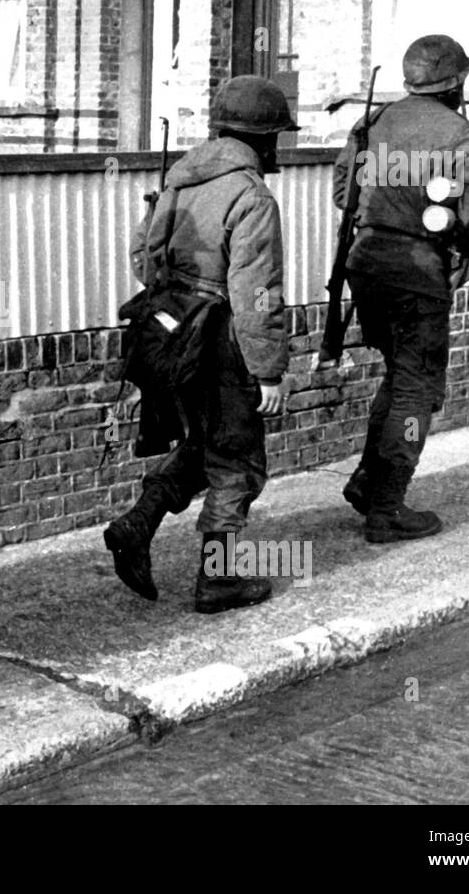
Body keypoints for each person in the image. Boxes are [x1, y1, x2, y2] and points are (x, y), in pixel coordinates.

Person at [103, 76, 292, 612]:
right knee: (237, 460)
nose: (279, 146)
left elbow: (145, 265)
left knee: (201, 441)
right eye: (276, 135)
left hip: (173, 339)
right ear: (262, 138)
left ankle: (137, 524)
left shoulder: (179, 183)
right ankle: (219, 579)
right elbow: (256, 294)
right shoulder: (252, 197)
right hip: (225, 346)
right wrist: (268, 371)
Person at [334, 35, 469, 542]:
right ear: (455, 82)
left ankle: (371, 482)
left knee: (399, 375)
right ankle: (387, 509)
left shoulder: (372, 122)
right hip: (417, 275)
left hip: (365, 266)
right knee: (419, 389)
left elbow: (341, 193)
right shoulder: (455, 130)